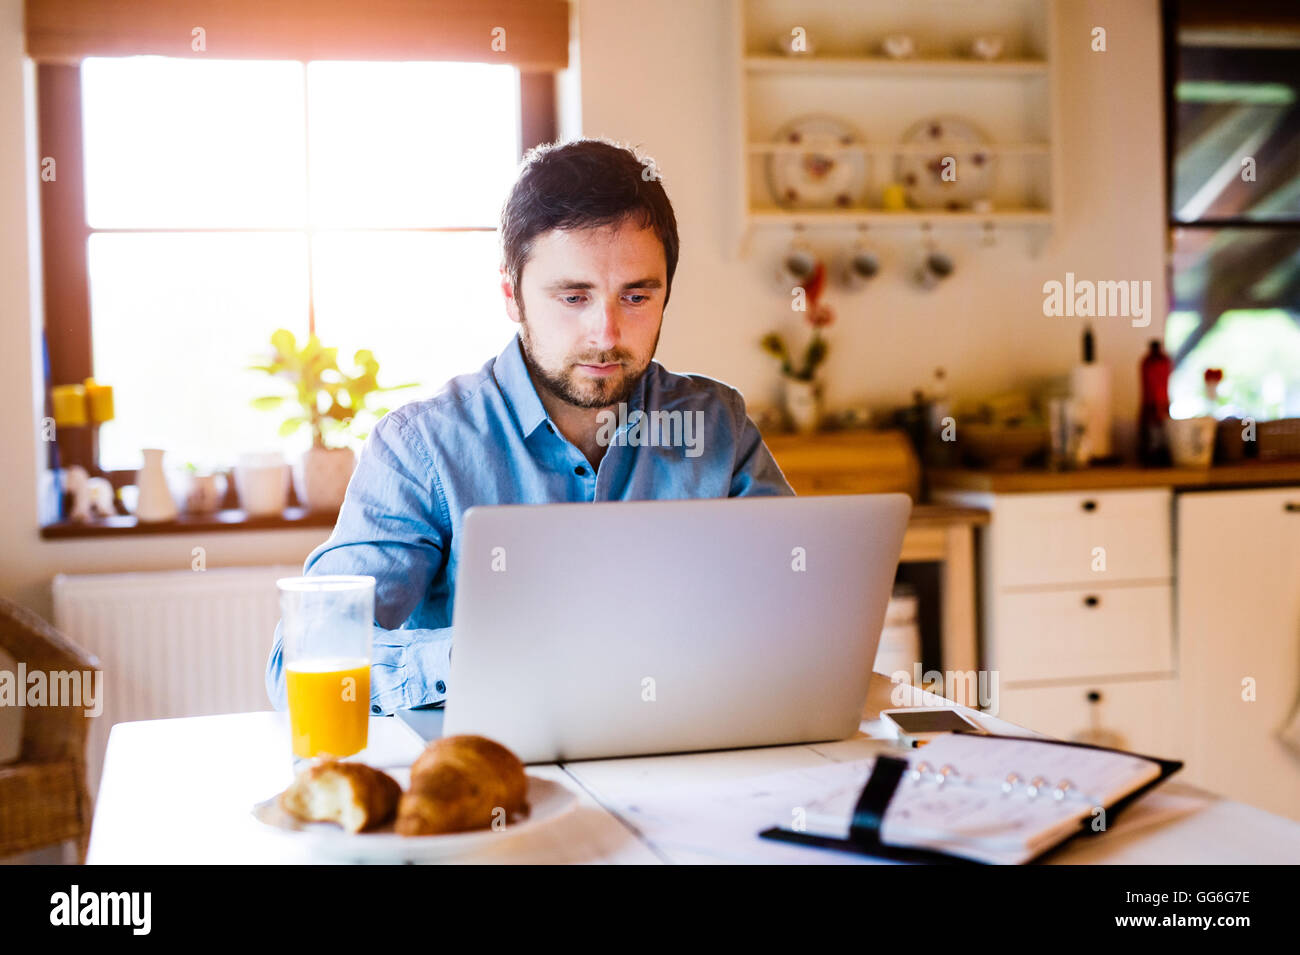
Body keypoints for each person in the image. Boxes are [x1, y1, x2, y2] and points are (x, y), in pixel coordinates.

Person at [265, 137, 794, 715]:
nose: (607, 334)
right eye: (573, 297)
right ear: (511, 296)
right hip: (503, 780)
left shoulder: (717, 426)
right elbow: (300, 662)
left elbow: (799, 606)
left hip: (692, 753)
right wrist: (497, 655)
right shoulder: (422, 448)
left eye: (637, 296)